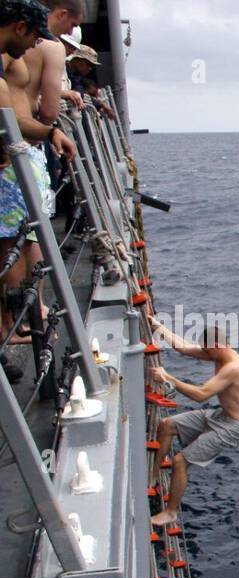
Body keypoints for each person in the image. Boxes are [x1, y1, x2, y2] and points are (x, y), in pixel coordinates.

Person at [0, 0, 76, 356]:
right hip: (11, 161)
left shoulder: (9, 62)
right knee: (11, 242)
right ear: (18, 27)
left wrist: (49, 134)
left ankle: (20, 317)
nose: (34, 45)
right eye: (32, 36)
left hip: (18, 149)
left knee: (23, 236)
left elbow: (13, 118)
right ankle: (9, 325)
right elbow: (30, 113)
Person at [147, 316, 239, 526]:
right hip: (221, 415)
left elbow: (201, 395)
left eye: (206, 351)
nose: (204, 355)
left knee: (179, 461)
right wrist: (158, 327)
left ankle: (170, 512)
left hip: (233, 427)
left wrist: (169, 379)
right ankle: (152, 477)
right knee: (168, 425)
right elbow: (183, 347)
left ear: (216, 346)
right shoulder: (218, 353)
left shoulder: (233, 367)